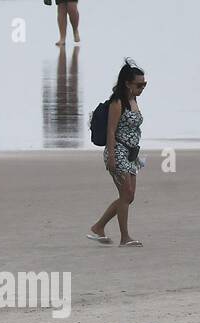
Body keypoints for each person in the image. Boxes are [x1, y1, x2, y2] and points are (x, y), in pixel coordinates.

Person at [89, 60, 146, 248]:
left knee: (129, 196)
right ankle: (125, 237)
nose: (142, 88)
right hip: (118, 152)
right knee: (126, 194)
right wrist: (112, 156)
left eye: (144, 84)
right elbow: (111, 131)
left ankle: (98, 227)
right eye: (139, 84)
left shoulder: (134, 100)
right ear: (127, 83)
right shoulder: (117, 102)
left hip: (131, 154)